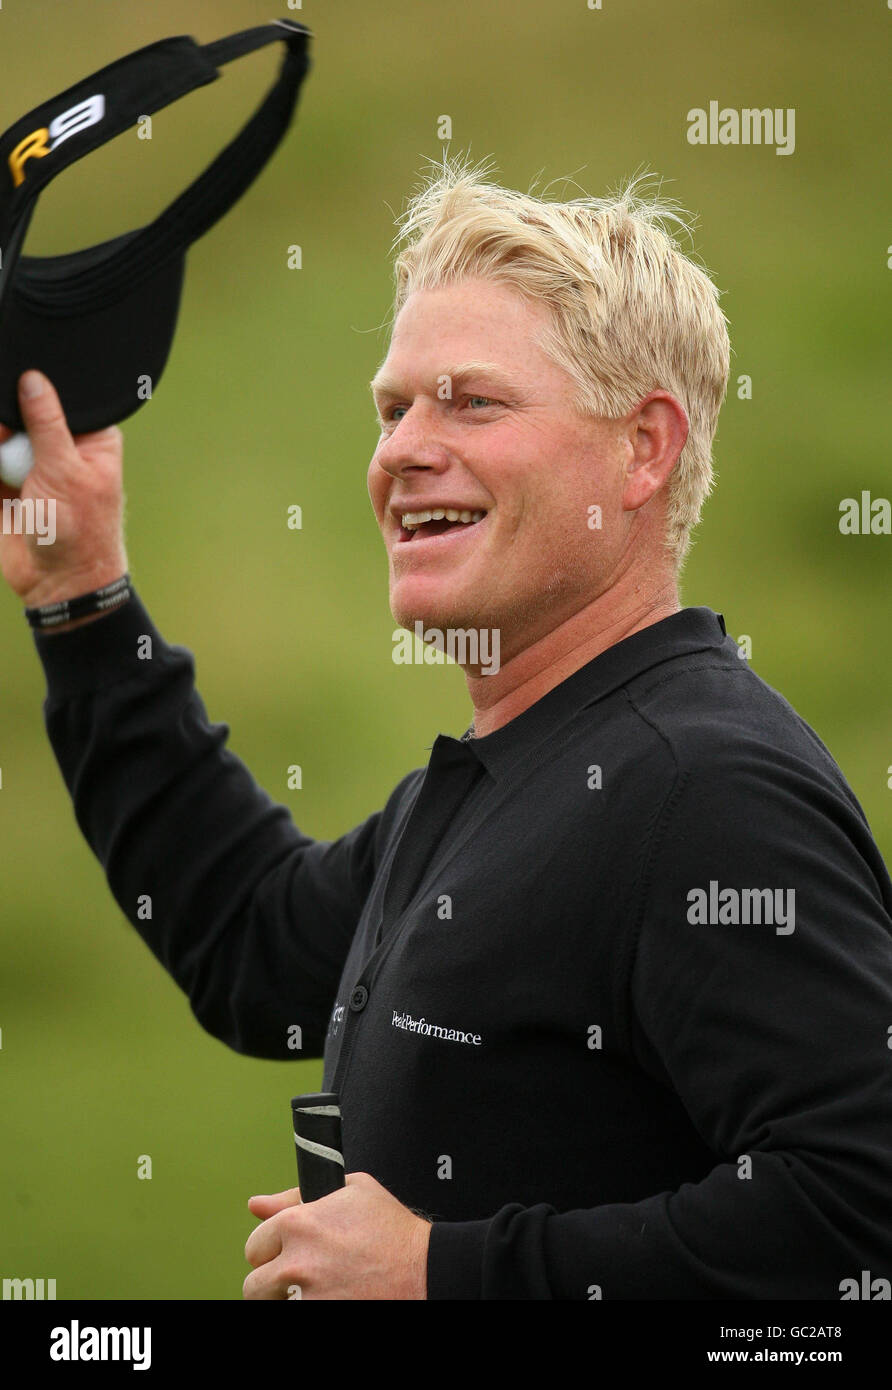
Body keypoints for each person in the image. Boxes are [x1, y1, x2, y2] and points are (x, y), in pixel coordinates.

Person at [2, 160, 891, 1301]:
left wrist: (438, 1269)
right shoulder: (500, 779)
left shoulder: (703, 789)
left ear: (643, 449)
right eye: (393, 407)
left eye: (472, 401)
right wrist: (82, 597)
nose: (400, 451)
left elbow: (857, 1211)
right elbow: (256, 947)